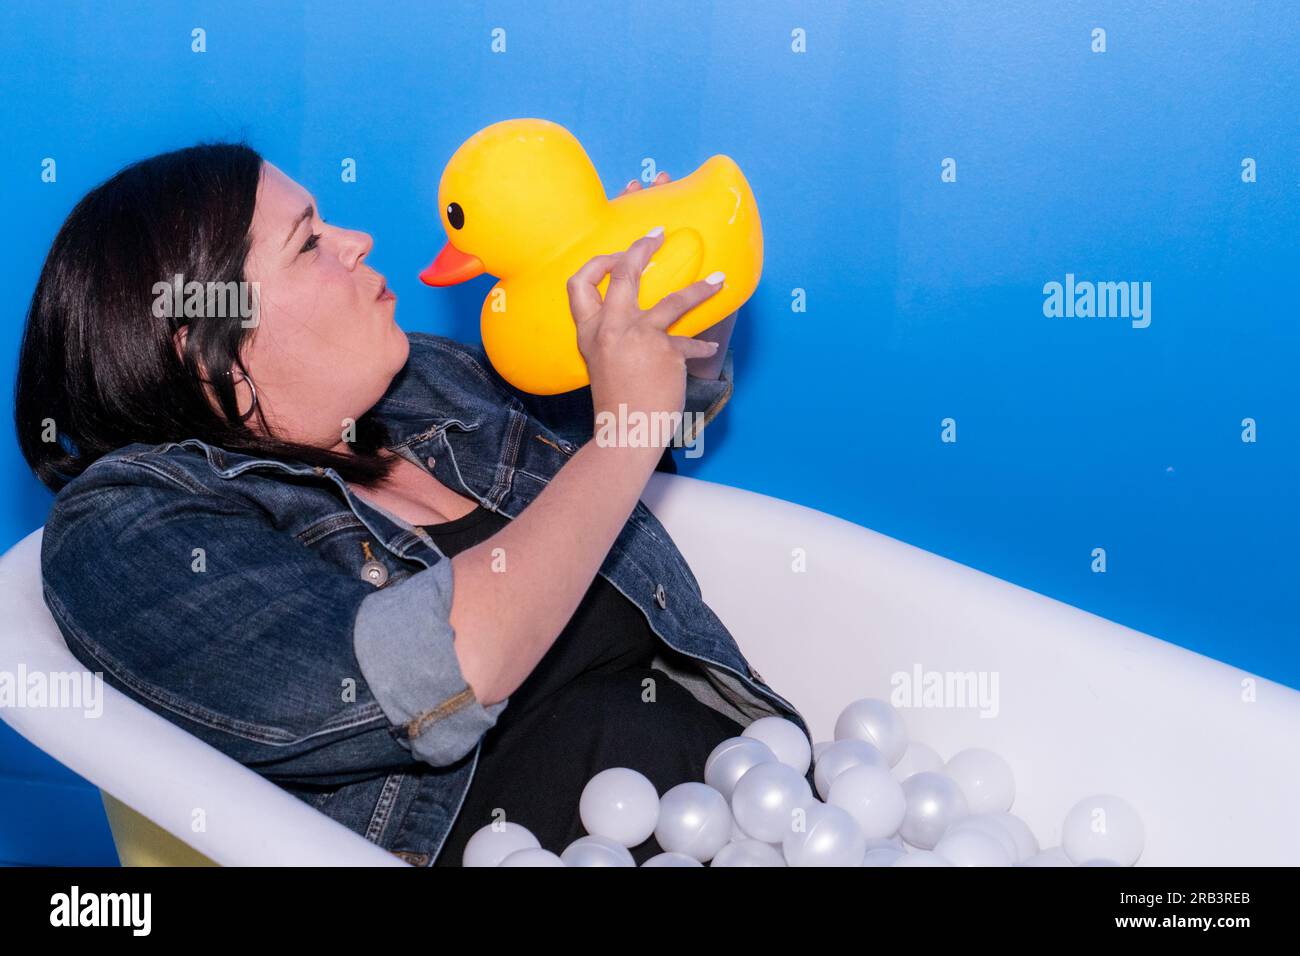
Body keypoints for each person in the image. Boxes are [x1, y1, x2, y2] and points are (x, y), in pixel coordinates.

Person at [15, 141, 813, 866]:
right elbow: (435, 672)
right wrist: (624, 431)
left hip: (788, 815)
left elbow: (641, 427)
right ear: (204, 342)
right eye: (309, 241)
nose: (357, 240)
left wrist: (679, 285)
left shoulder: (421, 385)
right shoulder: (124, 523)